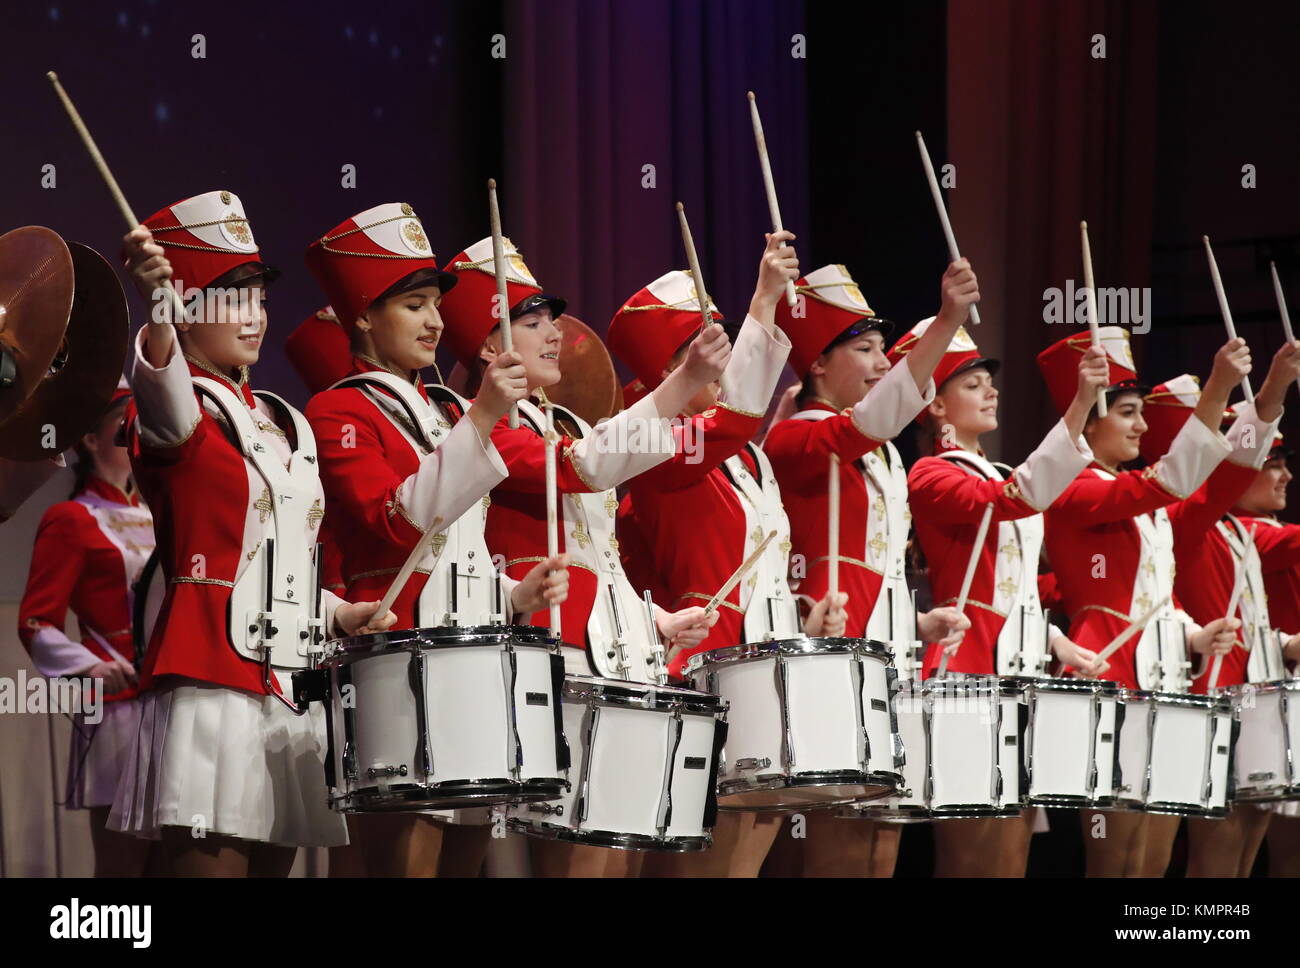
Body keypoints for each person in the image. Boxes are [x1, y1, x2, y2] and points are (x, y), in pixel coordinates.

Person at [107, 190, 395, 876]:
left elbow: (281, 558)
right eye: (230, 298)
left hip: (289, 684)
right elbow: (163, 392)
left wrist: (338, 611)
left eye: (259, 298)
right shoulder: (182, 410)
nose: (254, 316)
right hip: (210, 678)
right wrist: (156, 316)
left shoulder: (279, 419)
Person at [437, 233, 737, 876]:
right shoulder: (482, 433)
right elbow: (587, 468)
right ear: (490, 348)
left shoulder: (559, 423)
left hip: (609, 651)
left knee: (610, 861)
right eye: (530, 322)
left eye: (551, 319)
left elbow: (601, 555)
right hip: (546, 657)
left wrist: (653, 622)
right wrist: (684, 379)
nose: (553, 333)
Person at [304, 202, 569, 876]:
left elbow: (462, 550)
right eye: (415, 305)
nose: (436, 321)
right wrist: (482, 416)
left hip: (473, 662)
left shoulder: (444, 410)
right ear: (364, 315)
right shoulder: (337, 408)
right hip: (397, 665)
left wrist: (513, 595)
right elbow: (397, 521)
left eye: (436, 305)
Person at [1037, 326, 1254, 877]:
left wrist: (1269, 389)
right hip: (1108, 668)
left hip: (1161, 670)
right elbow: (1164, 484)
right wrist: (1218, 390)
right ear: (1089, 420)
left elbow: (1222, 487)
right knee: (1115, 859)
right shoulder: (1074, 487)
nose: (1141, 425)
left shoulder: (1145, 506)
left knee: (1153, 858)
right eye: (1128, 412)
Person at [1151, 342, 1300, 875]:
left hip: (1256, 692)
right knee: (1215, 859)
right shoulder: (1182, 520)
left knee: (1244, 856)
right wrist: (1272, 389)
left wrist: (1284, 645)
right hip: (1214, 693)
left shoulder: (1234, 526)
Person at [18, 380, 155, 876]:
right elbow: (36, 622)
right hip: (118, 711)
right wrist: (92, 666)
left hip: (173, 700)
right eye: (125, 429)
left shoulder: (166, 517)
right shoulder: (72, 519)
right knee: (123, 864)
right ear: (91, 440)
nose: (137, 440)